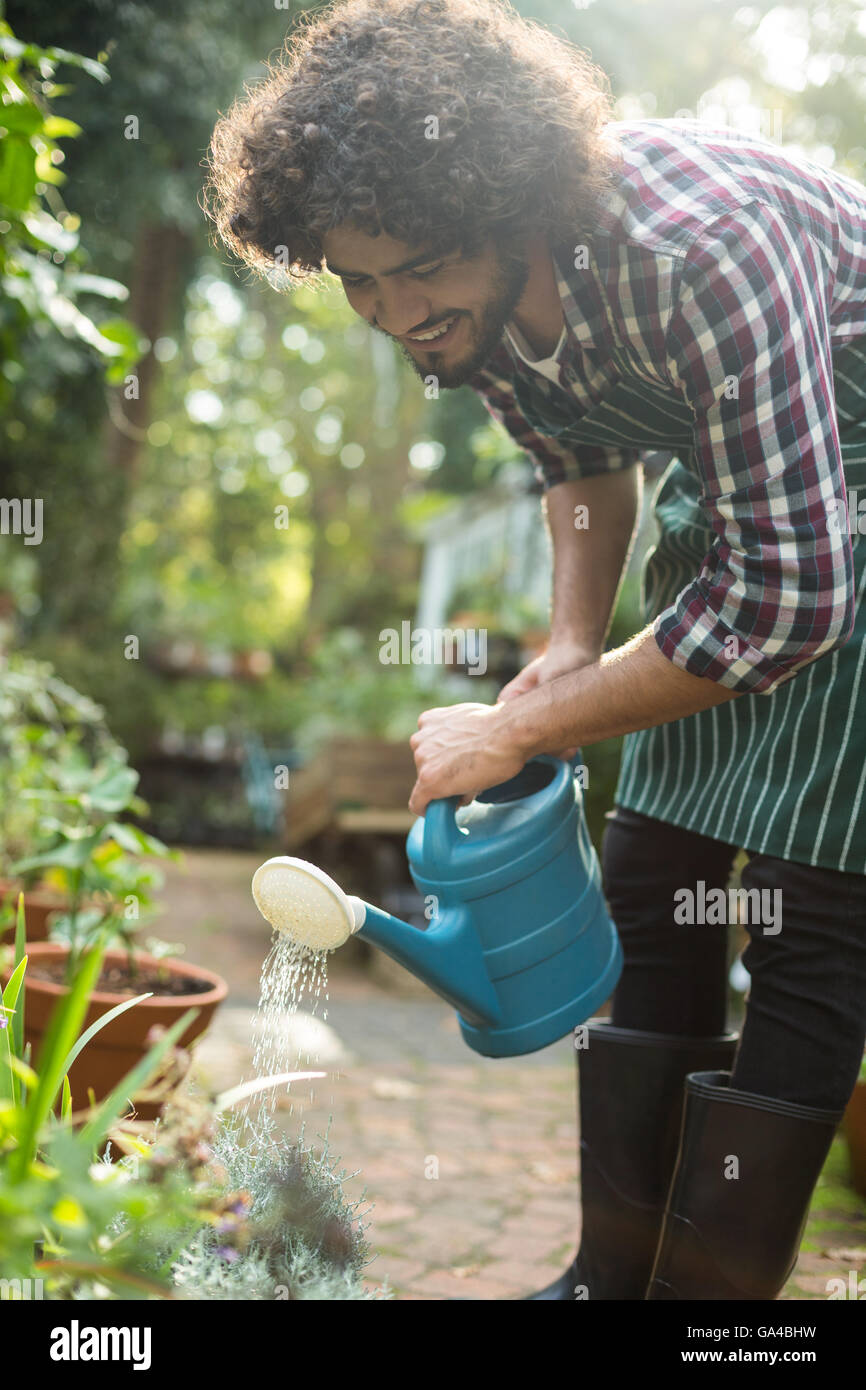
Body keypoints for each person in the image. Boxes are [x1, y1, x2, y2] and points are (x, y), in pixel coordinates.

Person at [205, 0, 866, 1299]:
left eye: (418, 271)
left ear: (515, 200)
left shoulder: (701, 248)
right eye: (359, 281)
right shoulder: (467, 307)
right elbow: (578, 468)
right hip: (747, 512)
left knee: (803, 912)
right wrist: (569, 646)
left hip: (818, 528)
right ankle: (606, 1276)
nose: (397, 314)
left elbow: (790, 596)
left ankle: (710, 1312)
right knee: (651, 871)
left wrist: (517, 729)